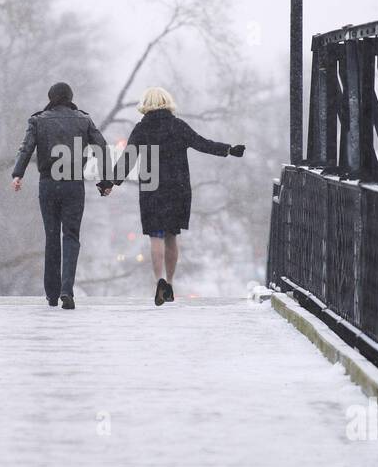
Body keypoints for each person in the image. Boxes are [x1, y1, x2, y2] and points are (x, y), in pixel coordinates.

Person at [101, 86, 244, 306]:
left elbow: (127, 159)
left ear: (146, 105)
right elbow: (202, 143)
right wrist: (229, 149)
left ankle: (159, 281)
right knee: (171, 236)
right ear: (167, 102)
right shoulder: (178, 126)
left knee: (156, 236)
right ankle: (169, 282)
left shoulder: (142, 129)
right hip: (177, 187)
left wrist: (110, 182)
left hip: (152, 187)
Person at [12, 82, 109, 310]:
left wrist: (18, 174)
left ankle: (52, 294)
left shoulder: (38, 120)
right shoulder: (83, 120)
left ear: (51, 98)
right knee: (71, 236)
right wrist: (105, 181)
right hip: (74, 184)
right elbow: (102, 147)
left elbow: (26, 148)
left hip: (48, 184)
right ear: (71, 98)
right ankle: (67, 289)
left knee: (52, 236)